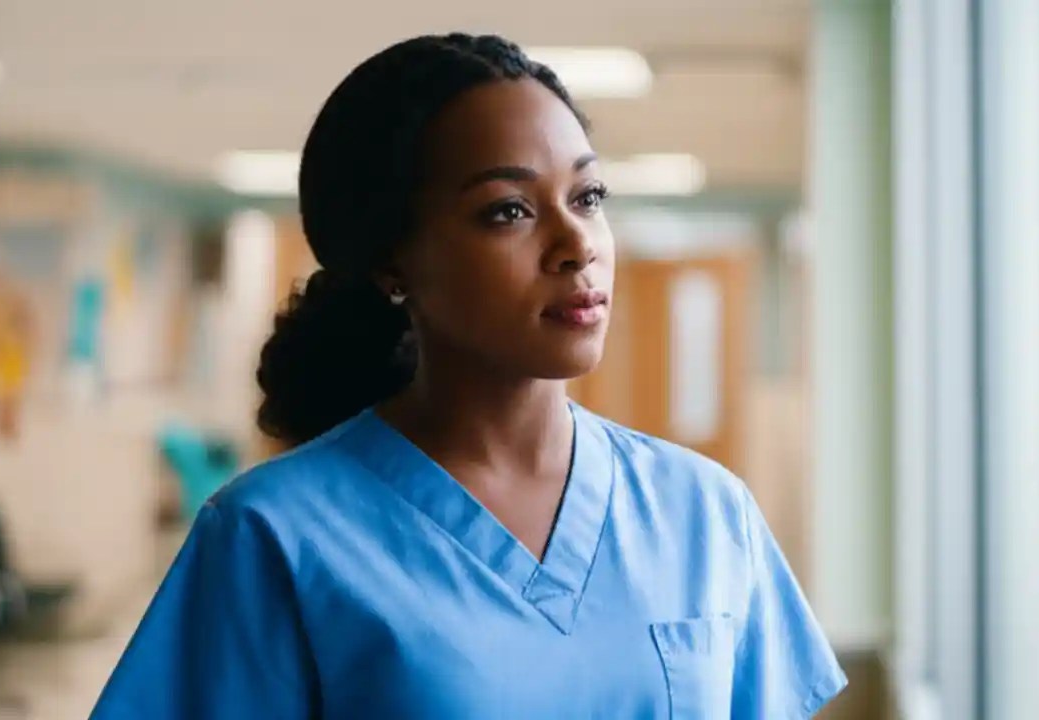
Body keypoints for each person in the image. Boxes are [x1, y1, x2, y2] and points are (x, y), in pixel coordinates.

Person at [91, 33, 845, 719]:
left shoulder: (705, 513)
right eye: (509, 211)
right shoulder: (275, 535)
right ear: (392, 261)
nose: (576, 245)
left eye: (587, 197)